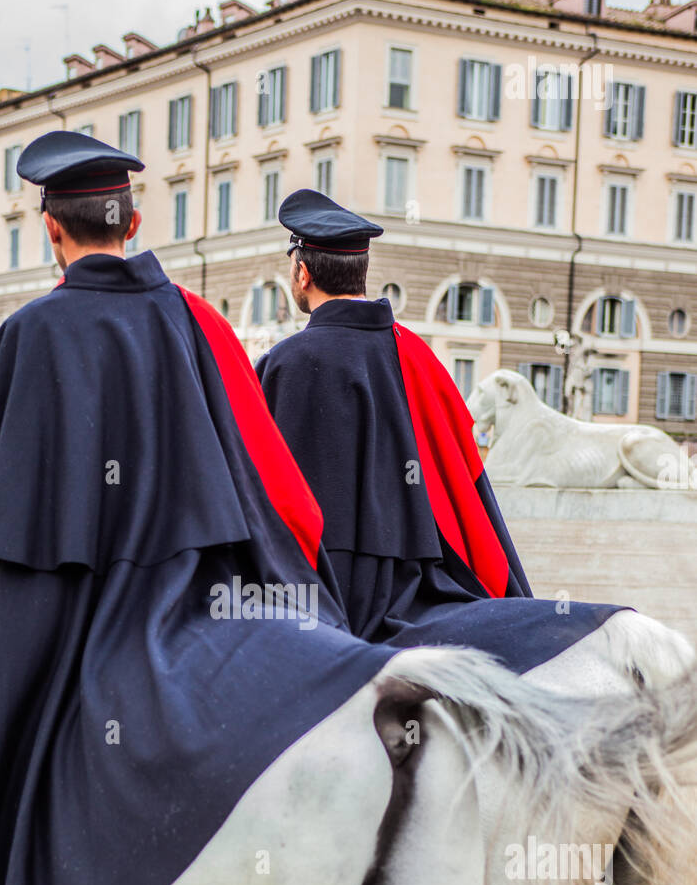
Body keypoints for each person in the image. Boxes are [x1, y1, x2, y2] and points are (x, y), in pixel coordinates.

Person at [0, 136, 394, 885]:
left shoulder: (24, 337)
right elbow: (249, 482)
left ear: (49, 232)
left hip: (58, 609)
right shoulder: (190, 326)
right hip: (179, 598)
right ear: (132, 221)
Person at [255, 189, 619, 674]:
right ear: (361, 272)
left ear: (303, 273)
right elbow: (468, 487)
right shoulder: (418, 358)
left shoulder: (284, 364)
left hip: (318, 600)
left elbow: (262, 500)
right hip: (421, 586)